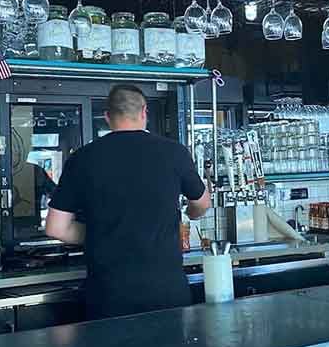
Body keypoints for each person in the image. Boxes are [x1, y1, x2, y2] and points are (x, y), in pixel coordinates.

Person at [45, 84, 210, 319]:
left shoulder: (82, 158)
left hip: (108, 293)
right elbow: (202, 203)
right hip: (165, 290)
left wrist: (97, 232)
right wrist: (193, 214)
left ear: (107, 117)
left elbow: (56, 228)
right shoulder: (174, 153)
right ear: (144, 112)